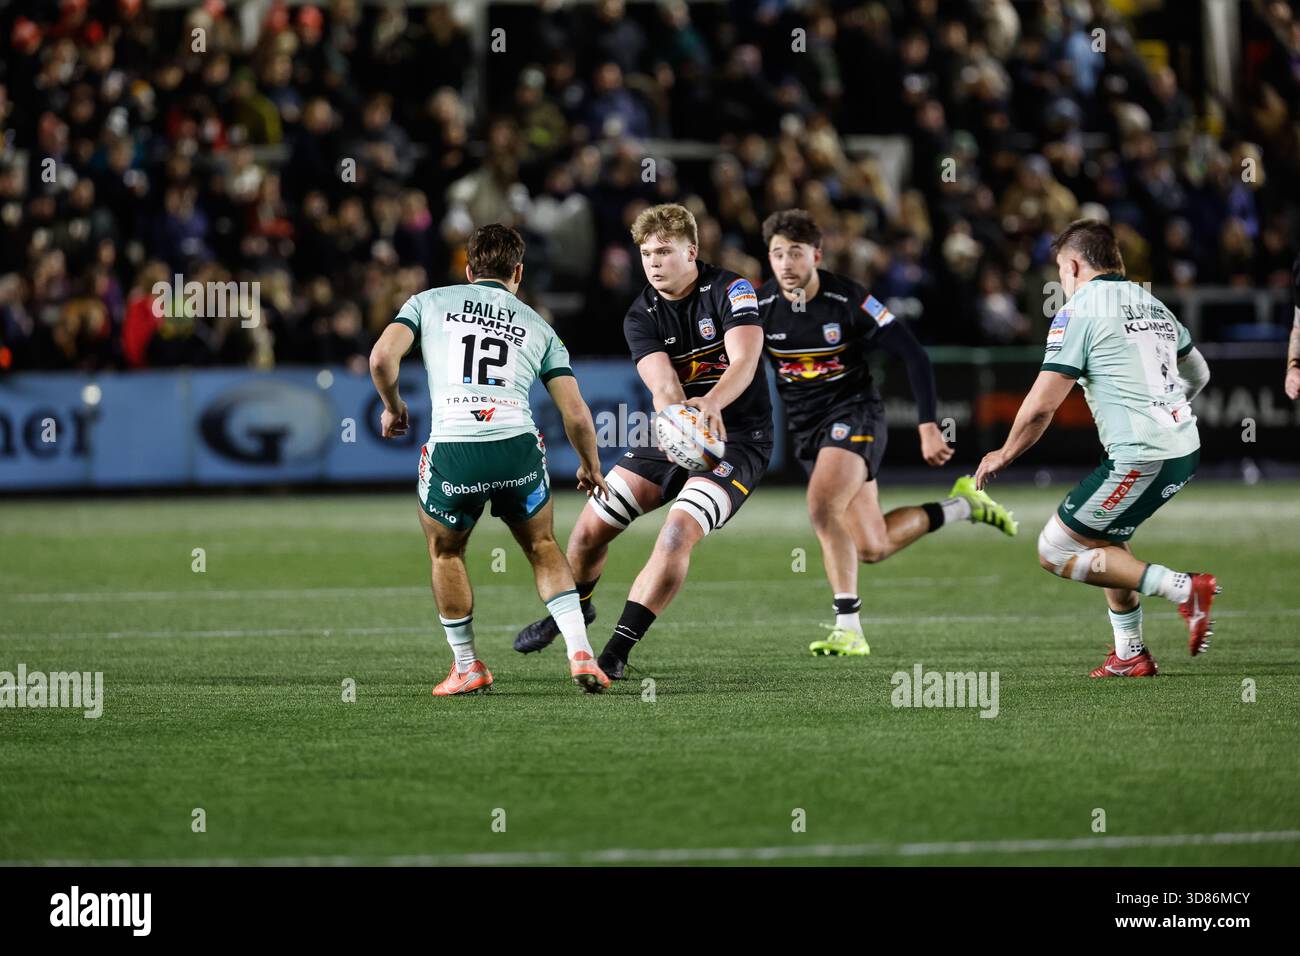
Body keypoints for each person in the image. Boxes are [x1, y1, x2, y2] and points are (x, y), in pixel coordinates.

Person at [511, 203, 771, 678]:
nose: (653, 262)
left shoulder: (732, 290)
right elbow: (664, 388)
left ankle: (616, 651)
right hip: (678, 433)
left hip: (739, 440)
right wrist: (682, 422)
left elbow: (745, 362)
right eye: (646, 252)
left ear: (691, 251)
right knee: (589, 530)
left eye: (664, 251)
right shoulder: (641, 314)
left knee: (676, 532)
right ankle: (579, 608)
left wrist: (710, 405)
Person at [758, 209, 1017, 657]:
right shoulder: (758, 308)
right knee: (873, 546)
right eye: (777, 254)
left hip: (854, 414)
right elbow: (737, 365)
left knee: (822, 508)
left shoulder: (849, 301)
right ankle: (961, 507)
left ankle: (848, 627)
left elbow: (913, 354)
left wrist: (928, 423)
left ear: (816, 255)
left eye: (795, 253)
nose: (785, 264)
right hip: (806, 432)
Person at [368, 223, 611, 695]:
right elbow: (577, 412)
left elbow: (381, 359)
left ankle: (467, 666)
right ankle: (580, 650)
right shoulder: (538, 325)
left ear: (467, 268)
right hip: (516, 447)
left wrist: (394, 408)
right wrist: (590, 465)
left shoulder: (428, 302)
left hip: (455, 449)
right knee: (542, 547)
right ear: (518, 272)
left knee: (447, 551)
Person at [975, 219, 1218, 678]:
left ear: (1071, 265)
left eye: (1060, 273)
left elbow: (1041, 407)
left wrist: (1003, 454)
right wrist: (1167, 410)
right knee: (1105, 539)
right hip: (1182, 447)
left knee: (1055, 551)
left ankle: (1183, 588)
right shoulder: (1152, 302)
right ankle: (1130, 654)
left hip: (1143, 454)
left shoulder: (1079, 310)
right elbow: (1199, 374)